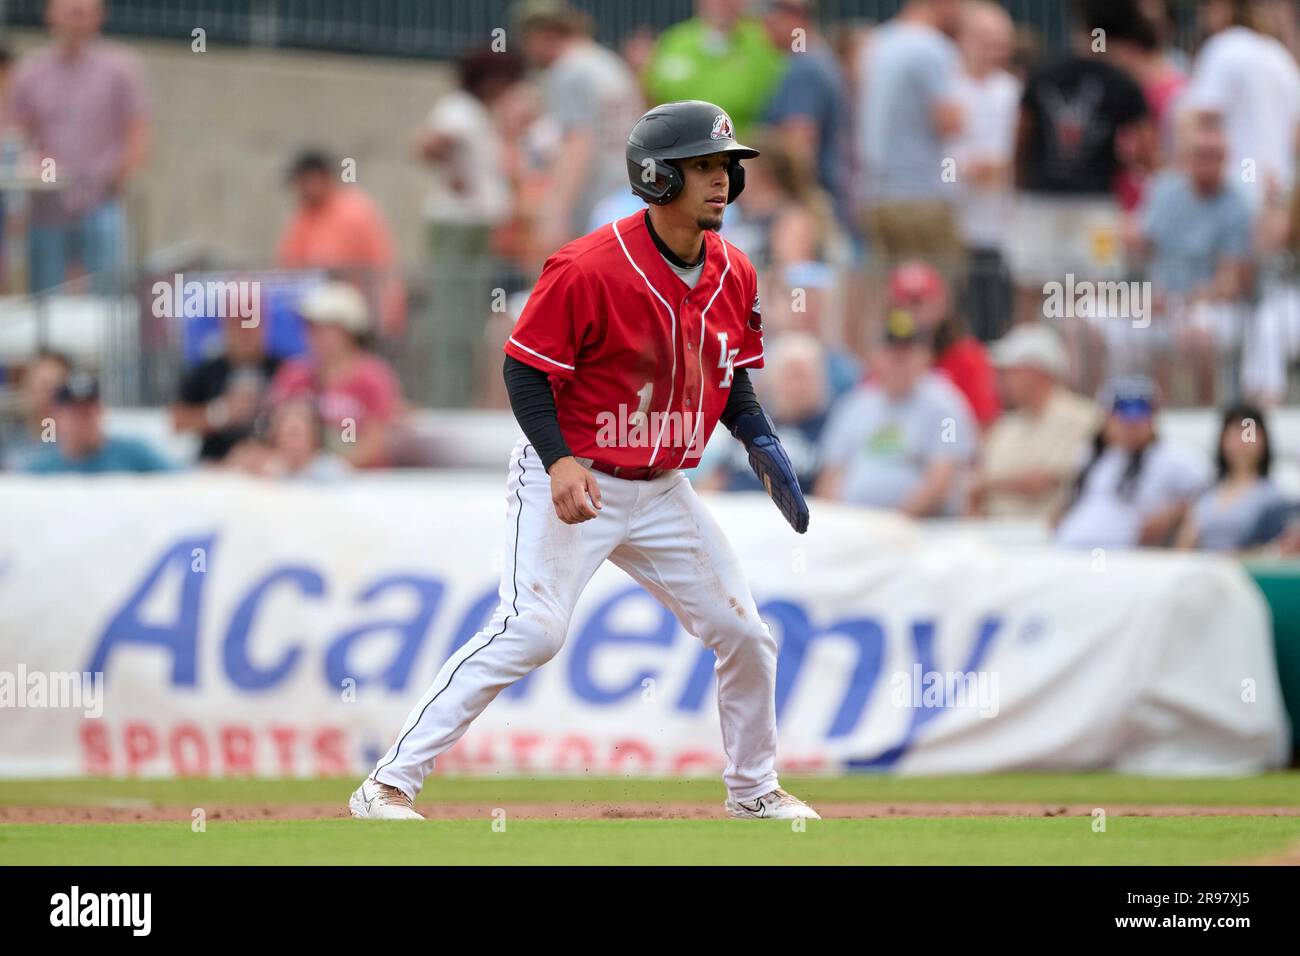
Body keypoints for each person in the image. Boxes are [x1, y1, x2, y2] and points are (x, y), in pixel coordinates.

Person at [350, 100, 819, 822]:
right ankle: (386, 784)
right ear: (658, 177)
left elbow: (729, 374)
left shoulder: (736, 272)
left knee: (745, 633)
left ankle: (754, 792)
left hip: (662, 487)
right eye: (702, 167)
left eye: (725, 166)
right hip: (573, 472)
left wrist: (758, 437)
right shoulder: (589, 267)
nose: (721, 180)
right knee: (532, 629)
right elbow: (524, 371)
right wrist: (560, 460)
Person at [1011, 0, 1156, 321]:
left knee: (1032, 288)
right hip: (1097, 207)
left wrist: (1020, 188)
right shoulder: (1122, 83)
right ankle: (1082, 363)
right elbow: (1148, 153)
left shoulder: (1043, 74)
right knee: (1092, 294)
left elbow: (1020, 141)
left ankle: (1028, 361)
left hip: (1041, 200)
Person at [8, 0, 150, 294]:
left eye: (84, 12)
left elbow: (137, 130)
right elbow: (17, 135)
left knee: (108, 297)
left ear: (99, 17)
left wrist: (117, 180)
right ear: (51, 14)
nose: (77, 20)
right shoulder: (31, 72)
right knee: (45, 300)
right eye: (70, 11)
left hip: (101, 203)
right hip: (47, 208)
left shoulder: (120, 69)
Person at [416, 48, 524, 408]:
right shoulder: (459, 109)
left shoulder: (475, 113)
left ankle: (458, 400)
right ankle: (449, 404)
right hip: (458, 229)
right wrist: (455, 173)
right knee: (454, 322)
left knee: (470, 322)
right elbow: (428, 144)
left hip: (473, 229)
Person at [814, 308, 977, 517]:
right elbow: (831, 475)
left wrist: (894, 522)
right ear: (875, 356)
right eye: (892, 352)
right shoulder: (855, 405)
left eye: (908, 352)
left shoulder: (945, 405)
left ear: (926, 355)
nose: (899, 361)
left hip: (922, 529)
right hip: (854, 527)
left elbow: (941, 481)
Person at [514, 0, 643, 257]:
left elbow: (578, 143)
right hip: (631, 197)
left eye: (528, 40)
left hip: (600, 206)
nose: (526, 51)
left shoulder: (569, 71)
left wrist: (555, 215)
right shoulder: (606, 62)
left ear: (544, 34)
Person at [855, 0, 966, 266]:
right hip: (921, 195)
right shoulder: (933, 47)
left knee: (893, 294)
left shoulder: (877, 42)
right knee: (938, 292)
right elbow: (949, 122)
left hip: (874, 193)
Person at [1054, 375, 1209, 549]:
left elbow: (1211, 495)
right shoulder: (1093, 456)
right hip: (1072, 555)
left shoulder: (1173, 458)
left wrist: (1176, 512)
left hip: (1128, 562)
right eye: (1122, 413)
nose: (1131, 423)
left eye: (1140, 413)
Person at [268, 281, 404, 470]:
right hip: (300, 484)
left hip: (363, 484)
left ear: (348, 331)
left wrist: (339, 466)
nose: (314, 335)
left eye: (324, 328)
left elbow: (378, 439)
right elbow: (274, 427)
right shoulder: (294, 374)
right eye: (310, 327)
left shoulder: (374, 378)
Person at [971, 324, 1100, 519]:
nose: (1001, 381)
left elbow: (1041, 483)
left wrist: (989, 485)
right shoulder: (1008, 424)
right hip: (994, 534)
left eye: (1009, 372)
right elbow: (977, 490)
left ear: (1036, 373)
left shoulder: (1082, 417)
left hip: (1045, 538)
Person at [1182, 0, 1300, 214]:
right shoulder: (1280, 56)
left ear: (1225, 7)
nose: (1204, 14)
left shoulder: (1223, 47)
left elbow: (1197, 118)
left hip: (1232, 194)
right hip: (1279, 193)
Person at [275, 150, 406, 337]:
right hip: (321, 323)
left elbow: (380, 268)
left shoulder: (352, 212)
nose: (298, 188)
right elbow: (289, 265)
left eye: (303, 180)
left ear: (320, 177)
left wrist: (385, 320)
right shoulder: (304, 216)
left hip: (359, 322)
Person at [949, 1, 1020, 342]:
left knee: (996, 323)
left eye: (1001, 41)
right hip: (953, 229)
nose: (996, 50)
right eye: (987, 40)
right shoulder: (947, 87)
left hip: (999, 232)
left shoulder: (1012, 92)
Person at [697, 332, 830, 494]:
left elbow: (828, 494)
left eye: (803, 376)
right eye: (789, 375)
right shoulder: (750, 420)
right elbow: (716, 477)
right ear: (772, 380)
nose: (796, 386)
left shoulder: (830, 429)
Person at [759, 0, 852, 219]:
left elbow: (799, 144)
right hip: (828, 196)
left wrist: (793, 208)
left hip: (814, 200)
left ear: (796, 18)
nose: (764, 24)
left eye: (771, 16)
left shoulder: (804, 68)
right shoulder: (818, 59)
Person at [642, 0, 785, 141]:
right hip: (679, 146)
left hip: (739, 148)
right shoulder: (675, 40)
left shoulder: (762, 42)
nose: (723, 3)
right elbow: (650, 93)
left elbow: (778, 103)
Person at [887, 260, 1001, 428]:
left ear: (941, 303)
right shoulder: (886, 358)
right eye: (900, 303)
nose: (909, 311)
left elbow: (985, 422)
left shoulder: (968, 357)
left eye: (917, 302)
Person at [171, 313, 281, 464]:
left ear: (264, 327)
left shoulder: (283, 370)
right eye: (239, 324)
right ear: (226, 326)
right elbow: (177, 421)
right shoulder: (207, 371)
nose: (245, 333)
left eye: (251, 325)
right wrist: (221, 413)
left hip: (269, 466)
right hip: (216, 465)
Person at [1175, 403, 1286, 550]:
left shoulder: (1274, 498)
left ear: (1263, 440)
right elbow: (1185, 544)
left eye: (1248, 434)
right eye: (1234, 434)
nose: (1241, 442)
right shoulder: (1206, 494)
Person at [21, 370, 172, 474]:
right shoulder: (40, 468)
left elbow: (182, 481)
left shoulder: (136, 455)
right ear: (57, 416)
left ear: (101, 412)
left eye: (88, 413)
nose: (83, 422)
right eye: (76, 414)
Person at [1, 349, 70, 470]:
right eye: (41, 386)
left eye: (55, 388)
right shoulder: (7, 440)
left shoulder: (80, 446)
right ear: (26, 388)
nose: (48, 395)